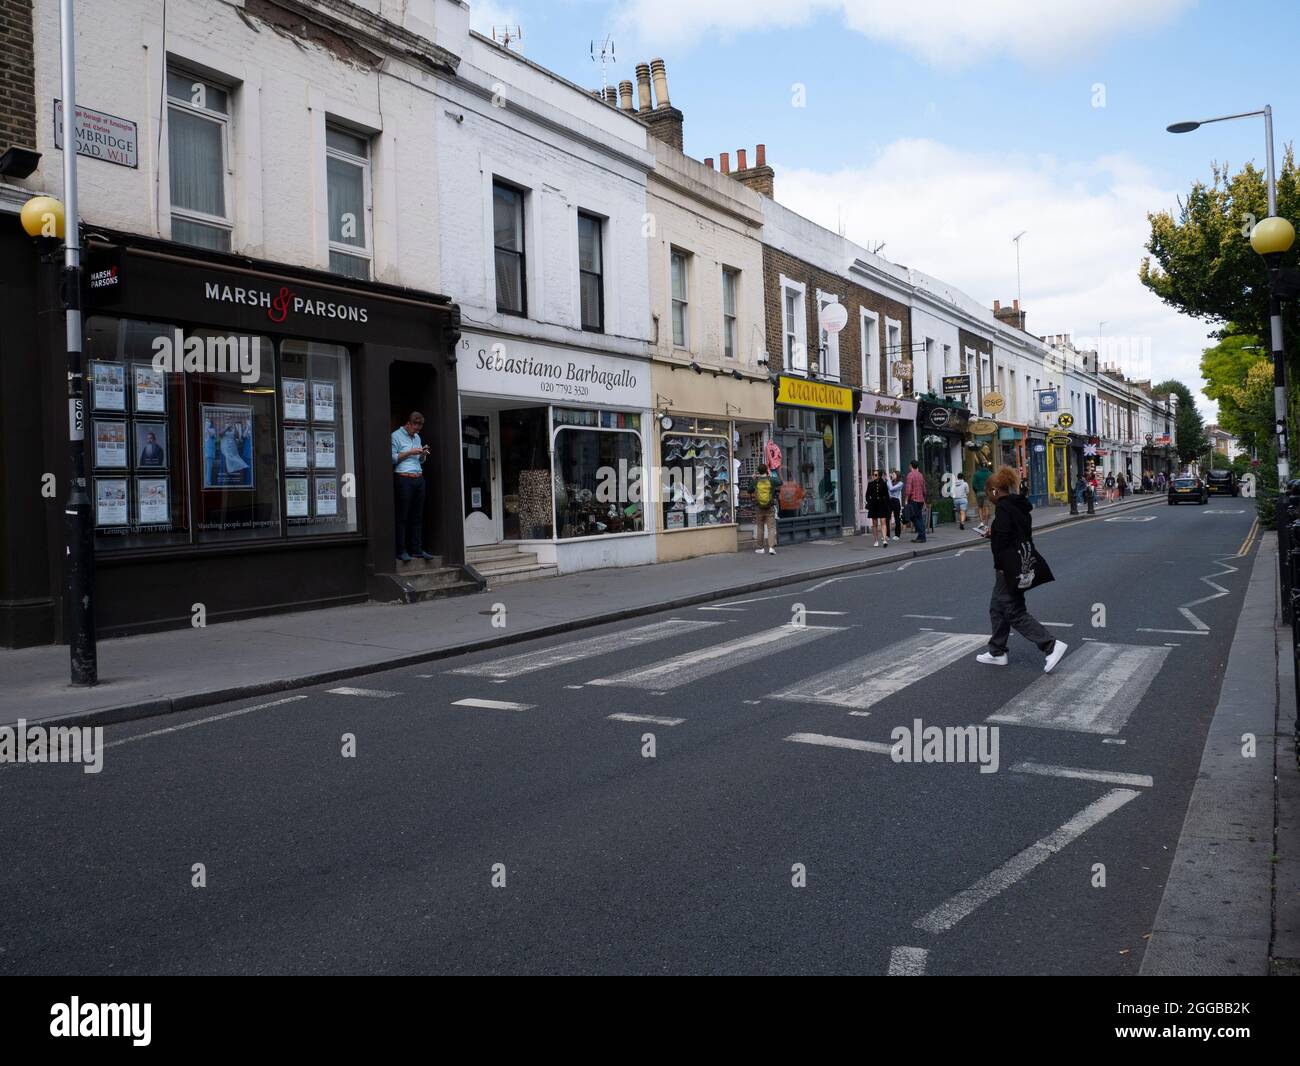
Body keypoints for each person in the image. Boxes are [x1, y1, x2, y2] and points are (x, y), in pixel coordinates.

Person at [976, 466, 1069, 673]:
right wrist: (995, 532)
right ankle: (997, 651)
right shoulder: (1019, 506)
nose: (989, 497)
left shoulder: (1003, 508)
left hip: (1008, 567)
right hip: (1022, 561)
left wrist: (1001, 566)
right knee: (997, 606)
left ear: (994, 491)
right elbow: (1018, 534)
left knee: (1013, 611)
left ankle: (1050, 645)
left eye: (988, 492)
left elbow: (1004, 541)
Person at [392, 411, 432, 563]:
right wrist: (409, 452)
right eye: (415, 428)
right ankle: (401, 551)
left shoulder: (417, 437)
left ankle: (416, 550)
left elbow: (420, 461)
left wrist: (422, 454)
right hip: (404, 479)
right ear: (408, 424)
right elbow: (392, 458)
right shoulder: (395, 436)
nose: (416, 432)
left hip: (418, 478)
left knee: (417, 516)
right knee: (402, 516)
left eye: (419, 430)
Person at [747, 463, 781, 555]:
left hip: (759, 507)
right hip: (769, 507)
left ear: (758, 471)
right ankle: (771, 548)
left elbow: (749, 490)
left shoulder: (756, 481)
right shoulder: (771, 480)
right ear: (766, 470)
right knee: (771, 528)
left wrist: (753, 479)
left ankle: (761, 548)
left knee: (760, 527)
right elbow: (780, 482)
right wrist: (771, 475)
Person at [865, 468, 890, 546]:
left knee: (883, 521)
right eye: (873, 474)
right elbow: (867, 495)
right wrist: (869, 502)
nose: (873, 476)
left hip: (882, 505)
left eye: (875, 475)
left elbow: (887, 495)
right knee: (874, 523)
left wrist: (887, 504)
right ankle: (875, 540)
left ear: (879, 476)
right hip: (873, 505)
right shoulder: (870, 484)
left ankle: (885, 540)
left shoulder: (883, 483)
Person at [904, 460, 927, 543]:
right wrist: (924, 499)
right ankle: (921, 535)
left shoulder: (910, 475)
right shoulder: (920, 475)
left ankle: (922, 535)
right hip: (920, 500)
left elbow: (908, 489)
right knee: (919, 517)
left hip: (913, 499)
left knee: (914, 517)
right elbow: (924, 489)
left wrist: (906, 499)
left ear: (910, 465)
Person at [887, 469, 904, 539]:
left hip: (896, 501)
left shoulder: (900, 483)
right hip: (889, 500)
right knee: (887, 518)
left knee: (897, 518)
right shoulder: (890, 482)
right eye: (892, 474)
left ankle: (897, 535)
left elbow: (891, 489)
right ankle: (887, 535)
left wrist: (888, 480)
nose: (892, 475)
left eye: (894, 474)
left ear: (897, 476)